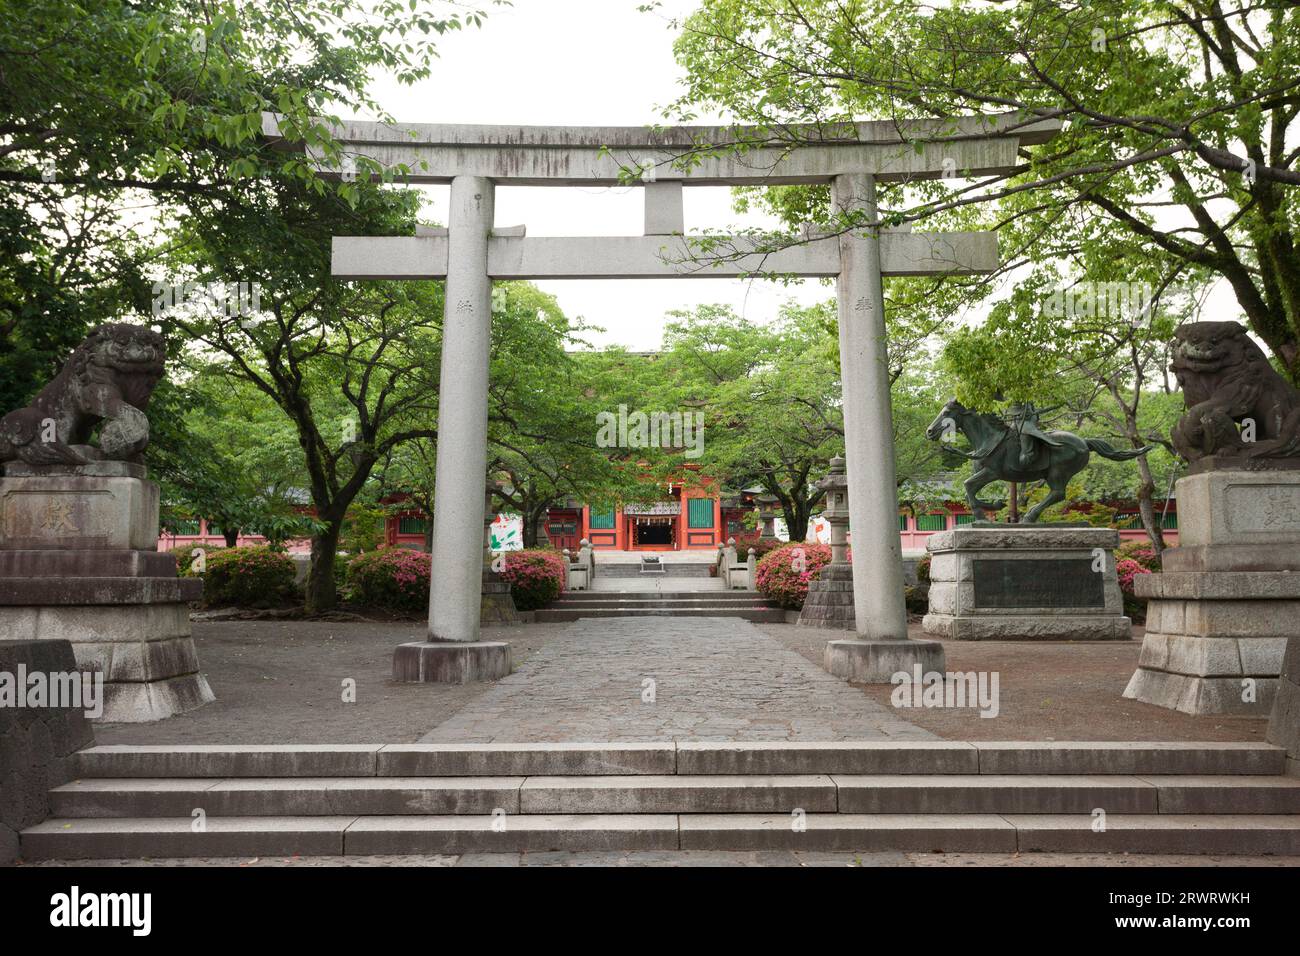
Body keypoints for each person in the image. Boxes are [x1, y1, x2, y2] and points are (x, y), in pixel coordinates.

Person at [1005, 401, 1063, 469]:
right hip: (1016, 420)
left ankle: (1028, 458)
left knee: (1025, 438)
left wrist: (1025, 413)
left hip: (1027, 421)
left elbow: (1030, 409)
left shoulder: (1027, 397)